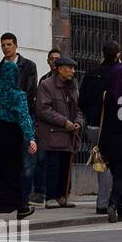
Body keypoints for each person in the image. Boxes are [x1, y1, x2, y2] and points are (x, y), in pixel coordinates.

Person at [80, 42, 122, 222]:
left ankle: (117, 207)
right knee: (120, 176)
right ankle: (113, 203)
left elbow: (88, 105)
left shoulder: (106, 94)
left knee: (109, 171)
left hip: (105, 135)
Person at [0, 61, 37, 221]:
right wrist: (30, 138)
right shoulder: (18, 95)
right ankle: (20, 207)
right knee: (12, 171)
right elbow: (24, 117)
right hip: (11, 135)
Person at [0, 33, 39, 203]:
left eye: (9, 44)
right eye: (3, 45)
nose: (6, 47)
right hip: (4, 121)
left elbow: (31, 92)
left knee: (26, 162)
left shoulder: (28, 66)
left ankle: (23, 197)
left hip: (23, 116)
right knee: (6, 160)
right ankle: (9, 196)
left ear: (16, 45)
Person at [35, 57, 83, 208]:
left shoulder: (73, 86)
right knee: (53, 166)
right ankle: (51, 197)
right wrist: (64, 122)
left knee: (65, 166)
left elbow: (80, 108)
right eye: (70, 68)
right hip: (53, 134)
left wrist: (78, 122)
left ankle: (63, 196)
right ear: (60, 69)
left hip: (69, 134)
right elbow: (43, 110)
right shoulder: (46, 85)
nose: (73, 72)